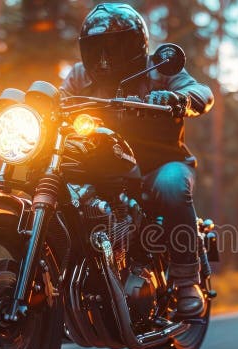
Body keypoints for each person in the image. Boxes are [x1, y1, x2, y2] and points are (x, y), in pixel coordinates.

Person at [61, 3, 214, 318]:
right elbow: (56, 100)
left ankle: (187, 282)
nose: (105, 56)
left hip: (160, 165)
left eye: (115, 46)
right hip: (104, 169)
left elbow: (202, 91)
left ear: (136, 44)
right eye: (97, 47)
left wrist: (180, 99)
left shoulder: (159, 69)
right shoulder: (79, 75)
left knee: (172, 186)